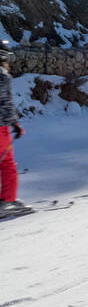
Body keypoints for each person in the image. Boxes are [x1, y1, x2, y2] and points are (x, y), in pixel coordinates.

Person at [0, 40, 25, 214]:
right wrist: (15, 124)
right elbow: (5, 103)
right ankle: (8, 202)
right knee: (7, 164)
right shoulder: (3, 76)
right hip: (0, 129)